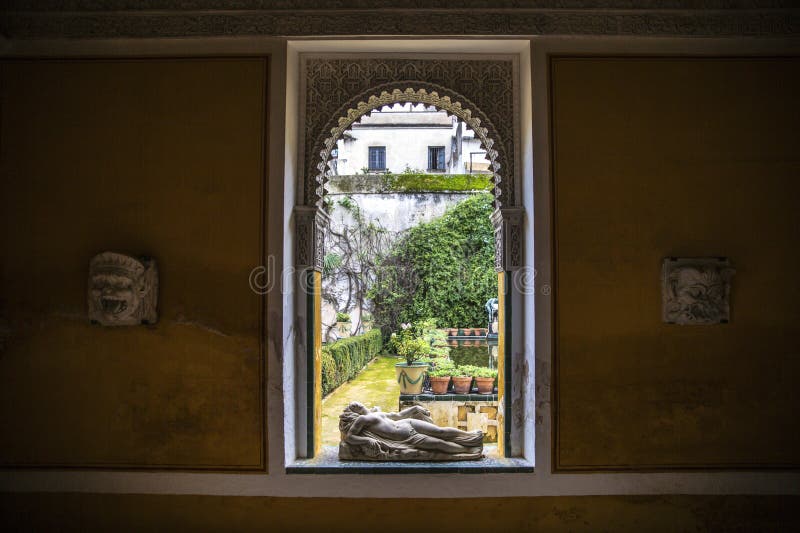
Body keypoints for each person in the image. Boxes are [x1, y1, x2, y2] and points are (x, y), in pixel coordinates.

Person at [338, 401, 483, 460]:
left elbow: (398, 415)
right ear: (353, 413)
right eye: (353, 406)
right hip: (406, 437)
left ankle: (469, 436)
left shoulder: (376, 412)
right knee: (438, 443)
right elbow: (350, 437)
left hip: (407, 423)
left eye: (355, 403)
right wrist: (367, 440)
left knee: (440, 431)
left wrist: (415, 408)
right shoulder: (361, 420)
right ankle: (467, 450)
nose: (356, 403)